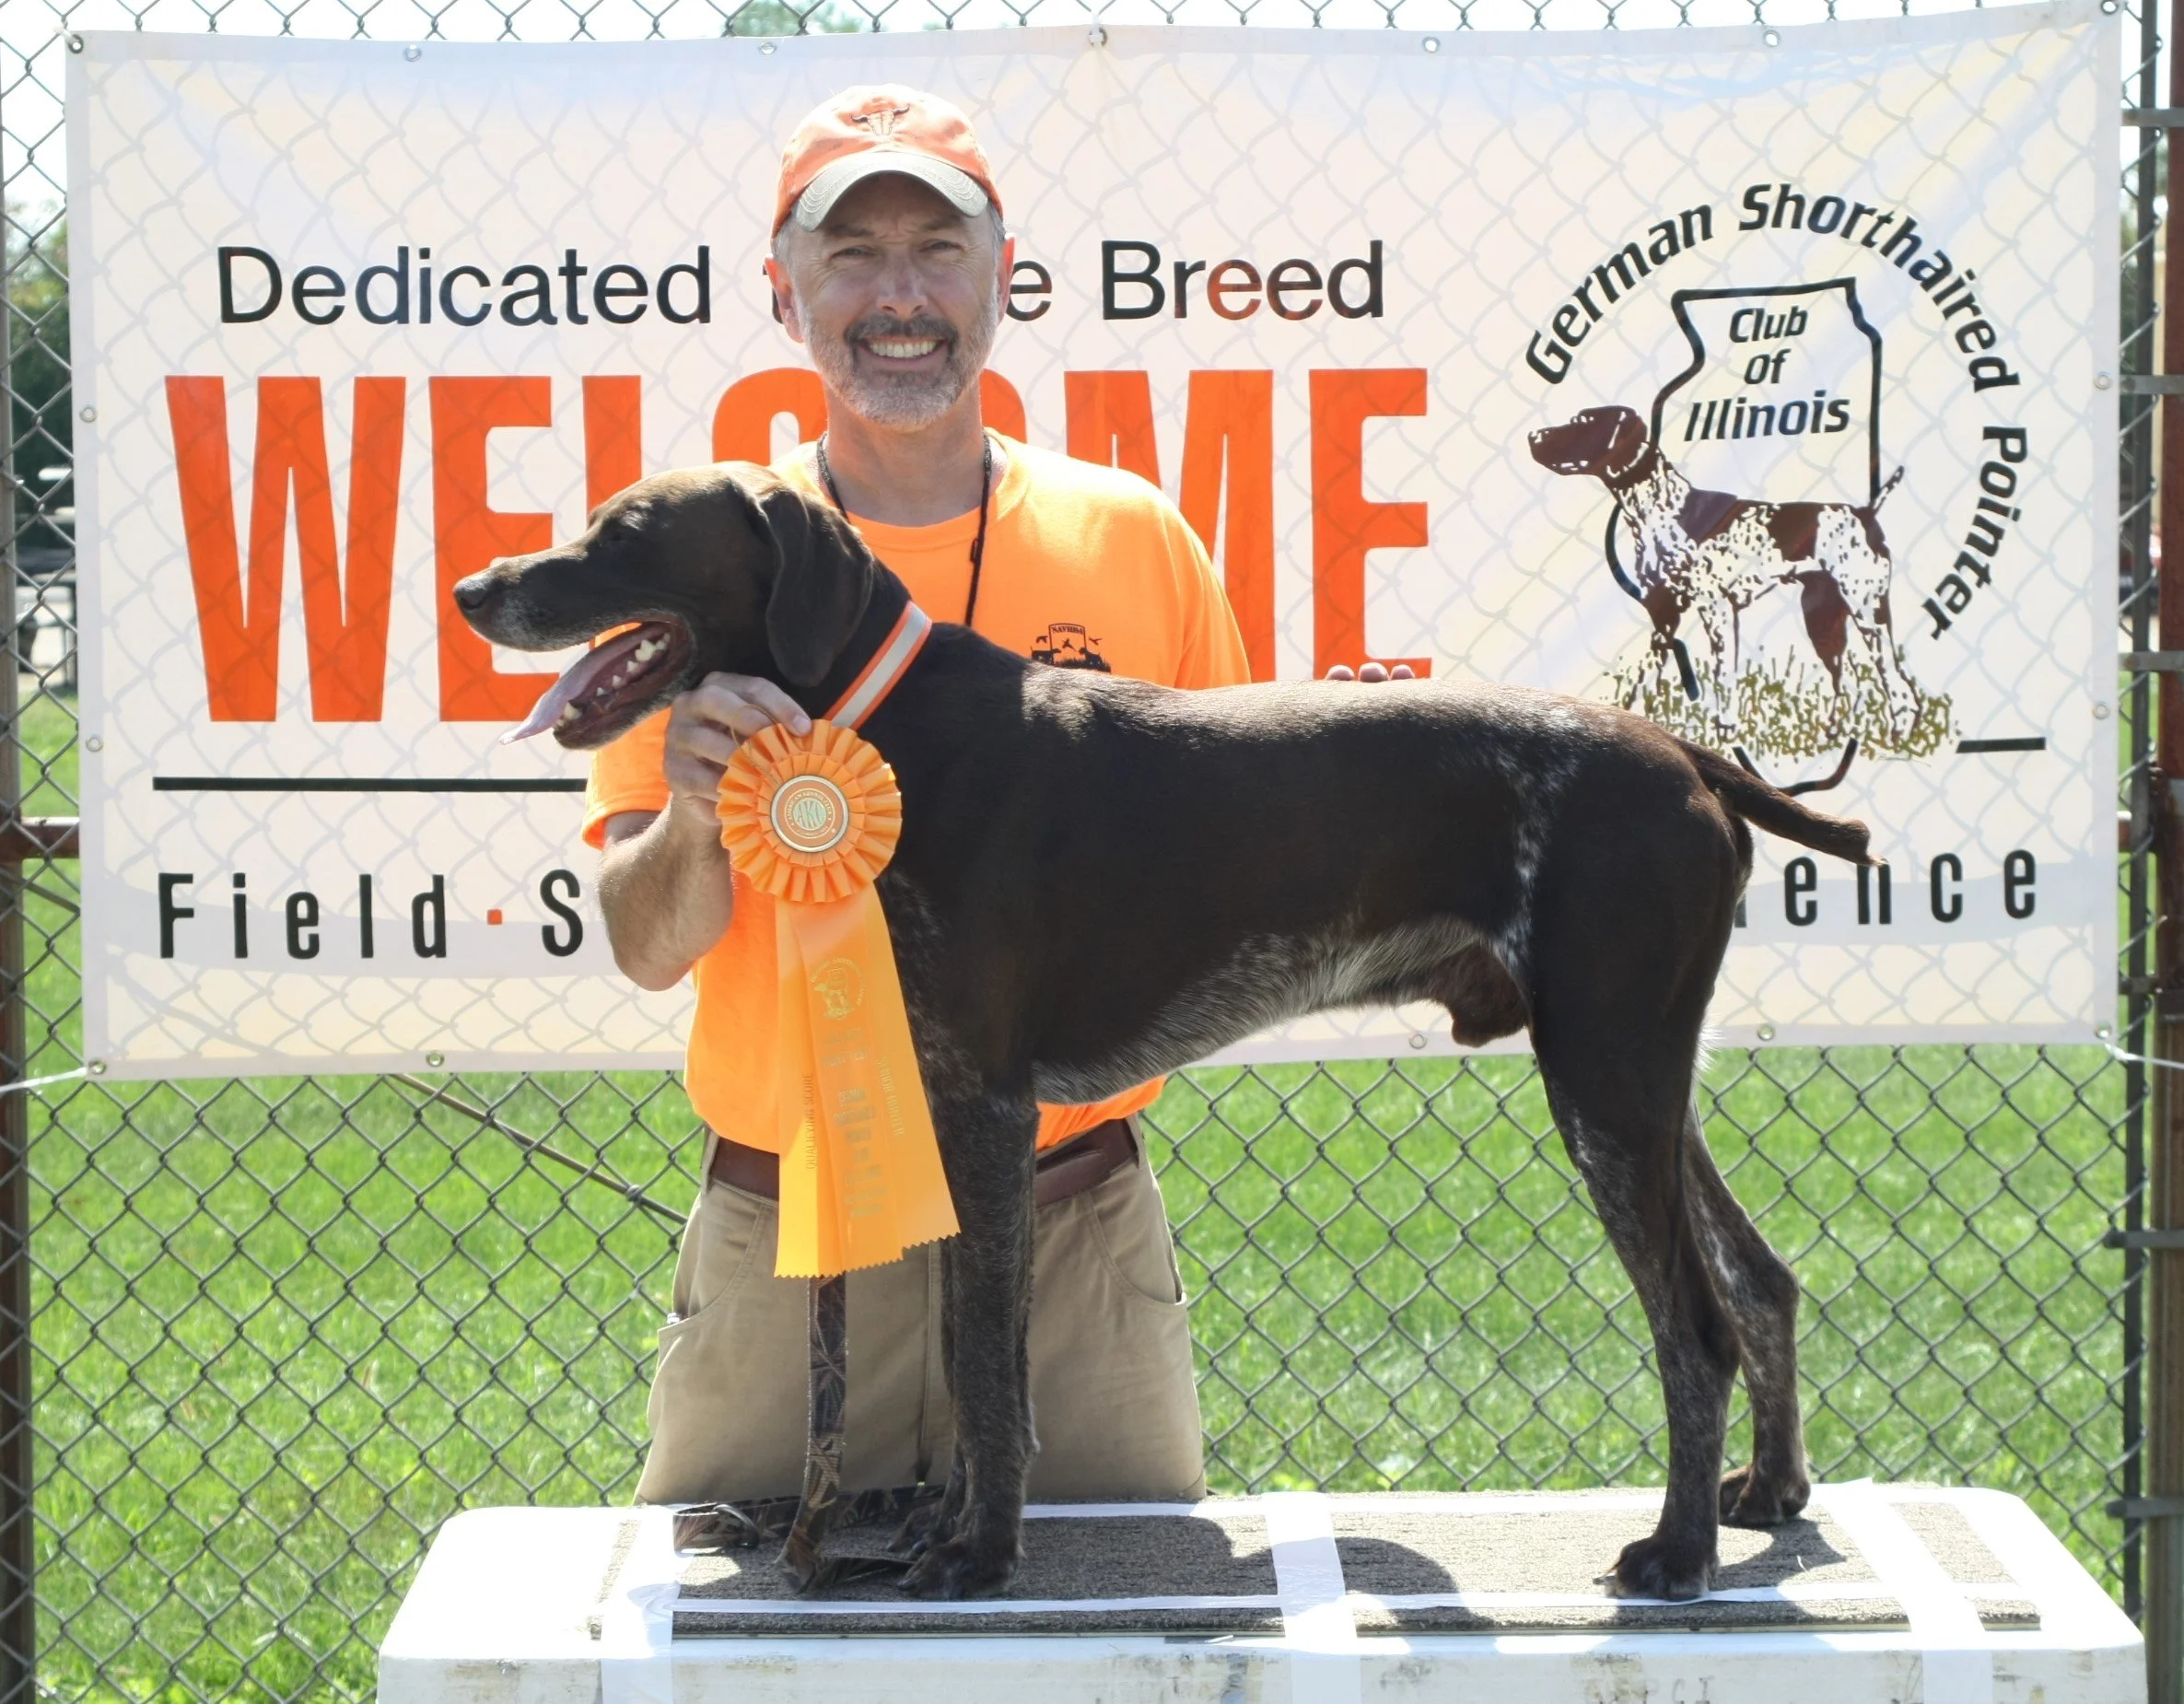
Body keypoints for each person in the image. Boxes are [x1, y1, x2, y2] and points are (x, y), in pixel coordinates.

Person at [582, 85, 1254, 1507]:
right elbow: (645, 945)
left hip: (1070, 1240)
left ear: (1002, 278)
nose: (900, 297)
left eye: (936, 251)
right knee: (729, 1667)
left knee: (1130, 1653)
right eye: (852, 254)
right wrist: (702, 808)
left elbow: (1225, 875)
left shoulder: (1134, 541)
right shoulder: (699, 564)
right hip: (786, 1241)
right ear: (783, 297)